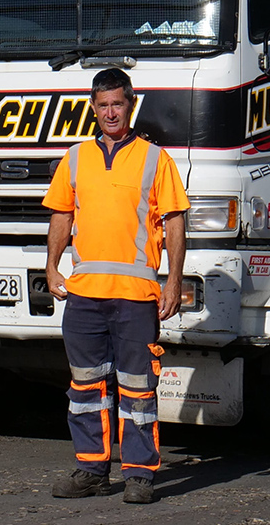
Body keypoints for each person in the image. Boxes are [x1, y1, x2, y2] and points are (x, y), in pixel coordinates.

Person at [42, 69, 189, 504]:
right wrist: (51, 266)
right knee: (85, 387)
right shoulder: (75, 158)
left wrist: (174, 281)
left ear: (131, 105)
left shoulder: (154, 159)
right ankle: (92, 470)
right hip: (84, 295)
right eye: (103, 105)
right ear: (93, 107)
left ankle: (140, 475)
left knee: (138, 386)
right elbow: (61, 217)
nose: (110, 112)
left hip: (136, 296)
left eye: (117, 104)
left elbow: (175, 221)